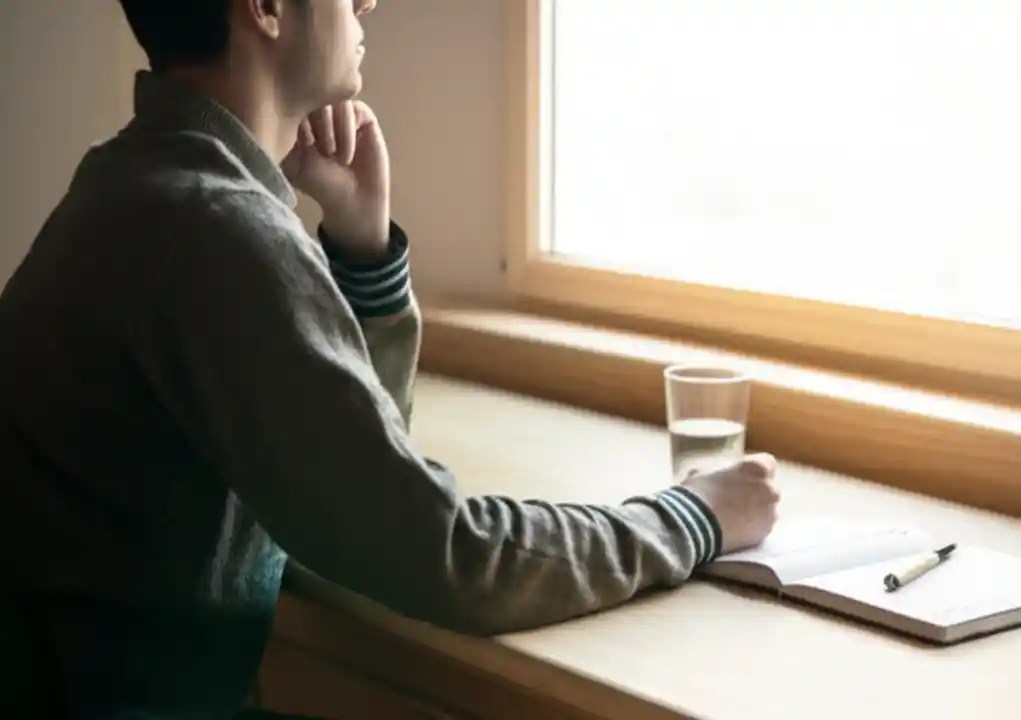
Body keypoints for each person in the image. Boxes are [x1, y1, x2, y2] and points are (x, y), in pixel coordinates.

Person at [0, 0, 781, 717]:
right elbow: (442, 553)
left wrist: (361, 248)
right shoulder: (217, 228)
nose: (368, 0)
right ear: (268, 8)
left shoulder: (135, 181)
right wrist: (691, 517)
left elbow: (348, 484)